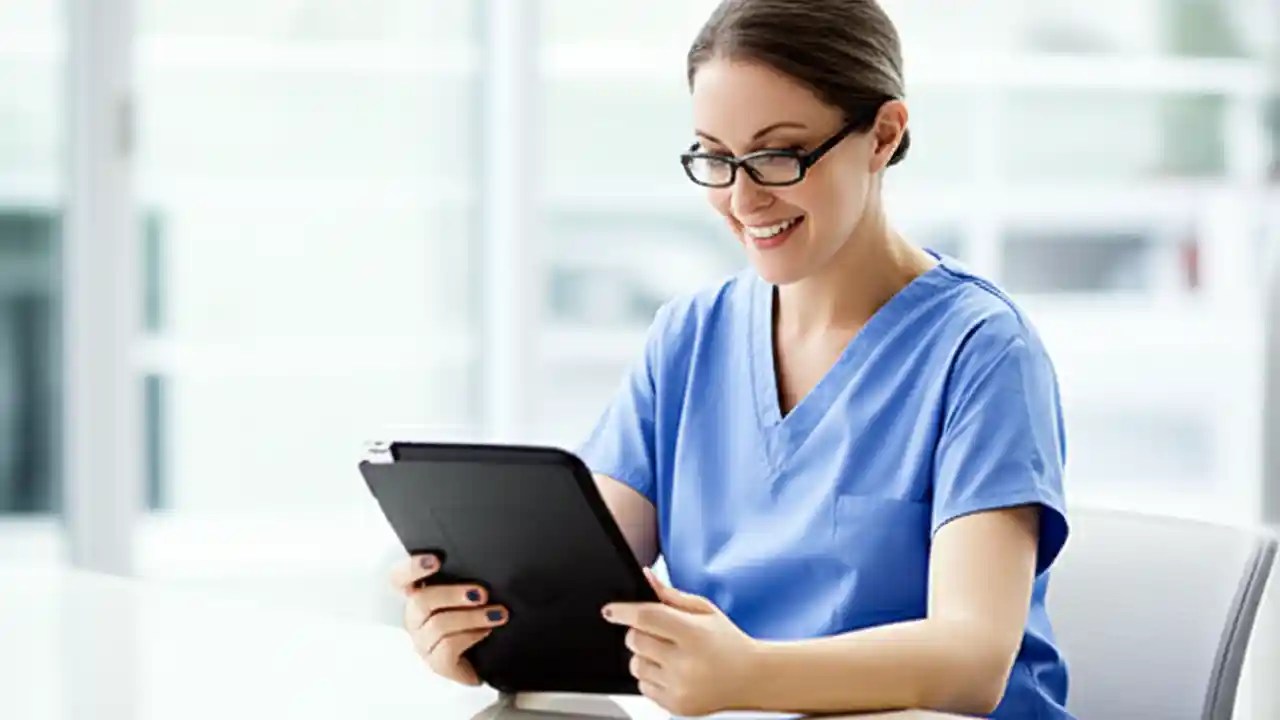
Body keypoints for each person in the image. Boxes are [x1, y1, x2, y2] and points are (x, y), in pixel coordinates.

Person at [389, 0, 1071, 717]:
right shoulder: (689, 338)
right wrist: (491, 629)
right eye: (715, 157)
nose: (742, 198)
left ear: (883, 135)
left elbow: (972, 661)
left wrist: (749, 675)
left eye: (777, 154)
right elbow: (576, 590)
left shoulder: (981, 350)